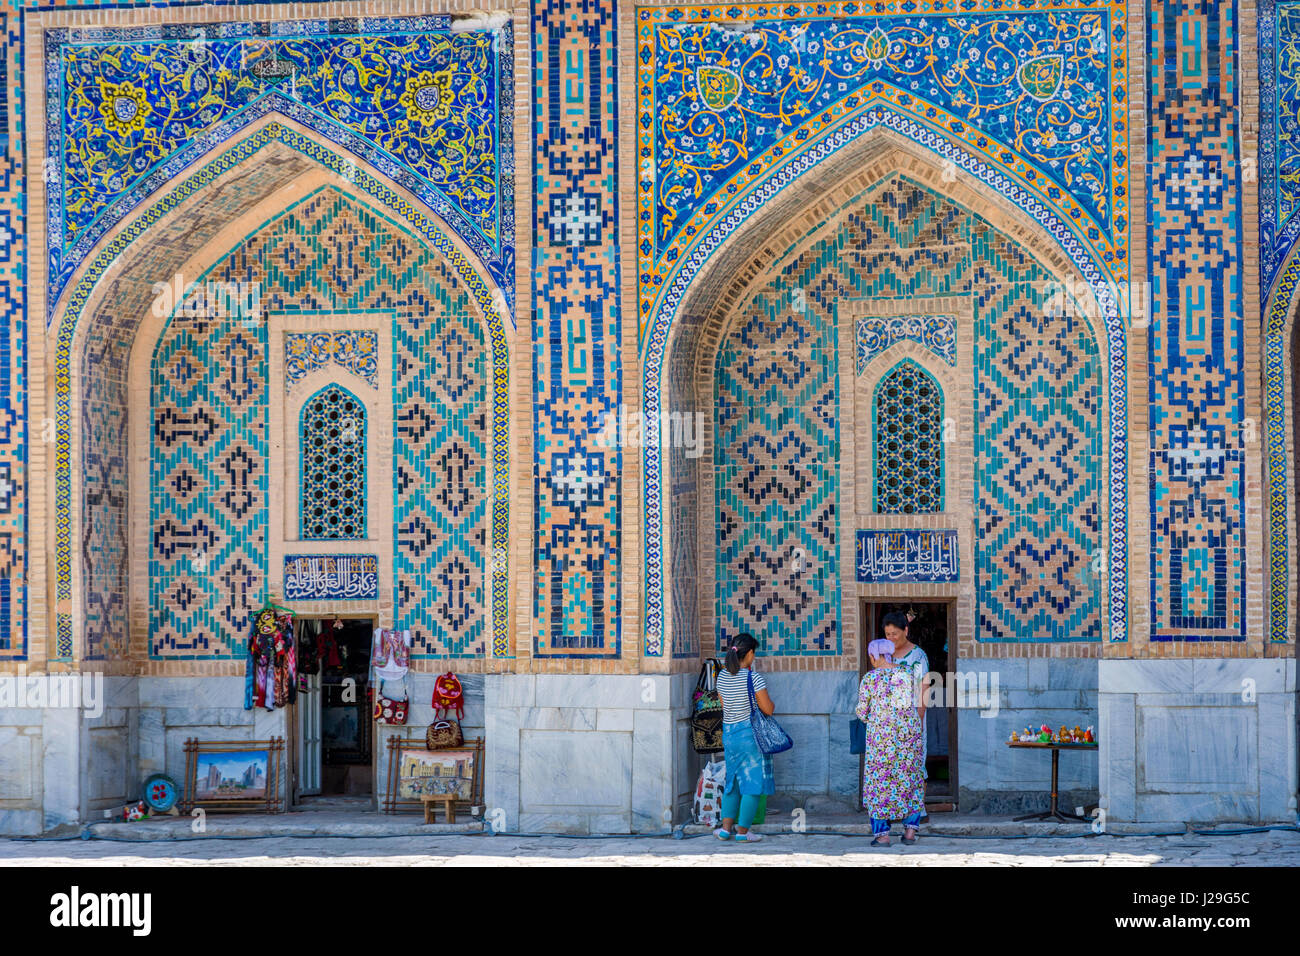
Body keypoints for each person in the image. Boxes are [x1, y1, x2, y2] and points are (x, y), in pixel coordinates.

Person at [856, 638, 925, 846]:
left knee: (879, 783)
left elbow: (862, 711)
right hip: (909, 738)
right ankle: (910, 834)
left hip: (881, 741)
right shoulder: (907, 675)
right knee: (910, 780)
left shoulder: (870, 679)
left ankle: (883, 835)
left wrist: (876, 719)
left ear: (874, 656)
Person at [713, 633, 776, 843]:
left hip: (729, 735)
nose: (754, 657)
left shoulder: (721, 677)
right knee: (752, 783)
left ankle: (724, 830)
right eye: (754, 653)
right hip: (749, 735)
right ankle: (743, 832)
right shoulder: (753, 678)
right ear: (749, 653)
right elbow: (768, 709)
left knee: (732, 782)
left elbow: (724, 706)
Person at [884, 610, 930, 782]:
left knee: (915, 765)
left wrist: (918, 717)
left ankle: (919, 809)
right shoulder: (884, 656)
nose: (891, 638)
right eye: (888, 634)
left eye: (895, 633)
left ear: (906, 630)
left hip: (912, 718)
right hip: (889, 721)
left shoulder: (918, 656)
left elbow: (924, 687)